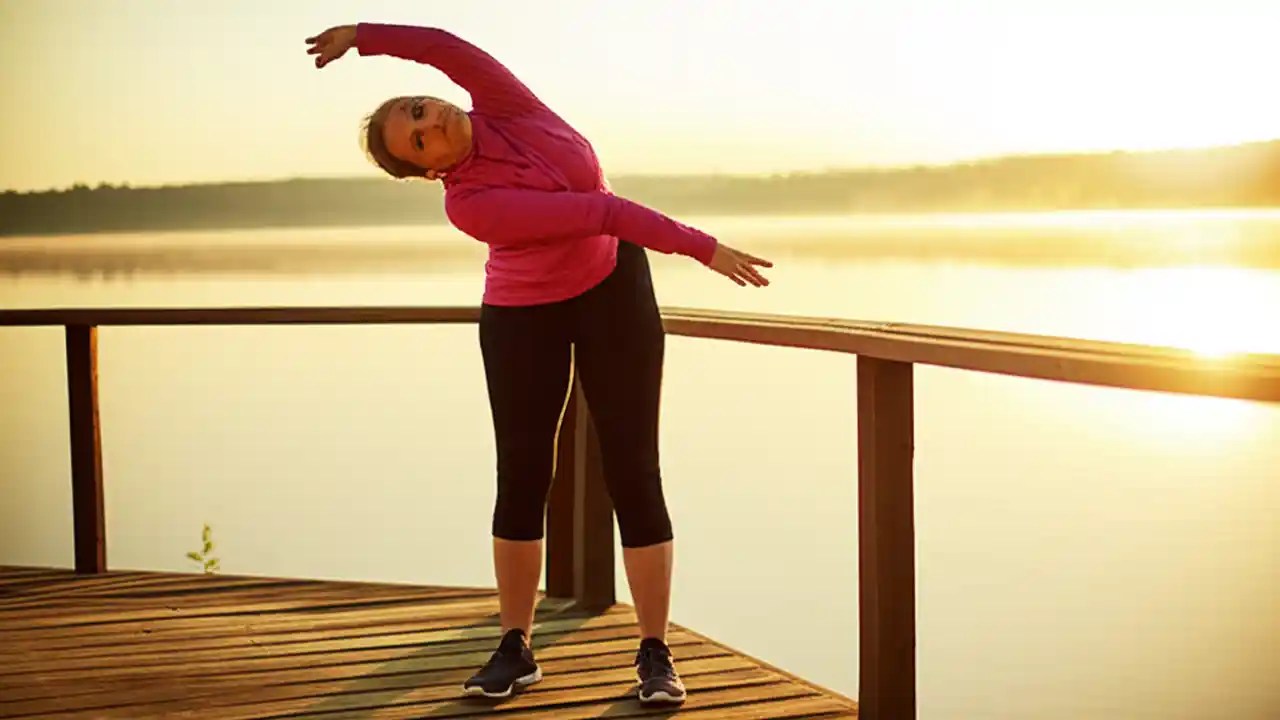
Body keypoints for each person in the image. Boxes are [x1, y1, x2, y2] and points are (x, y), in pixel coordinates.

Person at [304, 21, 772, 705]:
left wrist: (362, 35)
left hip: (613, 287)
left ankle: (655, 652)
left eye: (417, 110)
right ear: (430, 170)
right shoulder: (471, 205)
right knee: (524, 471)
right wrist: (705, 249)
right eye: (419, 140)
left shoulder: (509, 107)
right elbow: (601, 210)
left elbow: (444, 47)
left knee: (633, 468)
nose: (428, 121)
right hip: (527, 314)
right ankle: (516, 646)